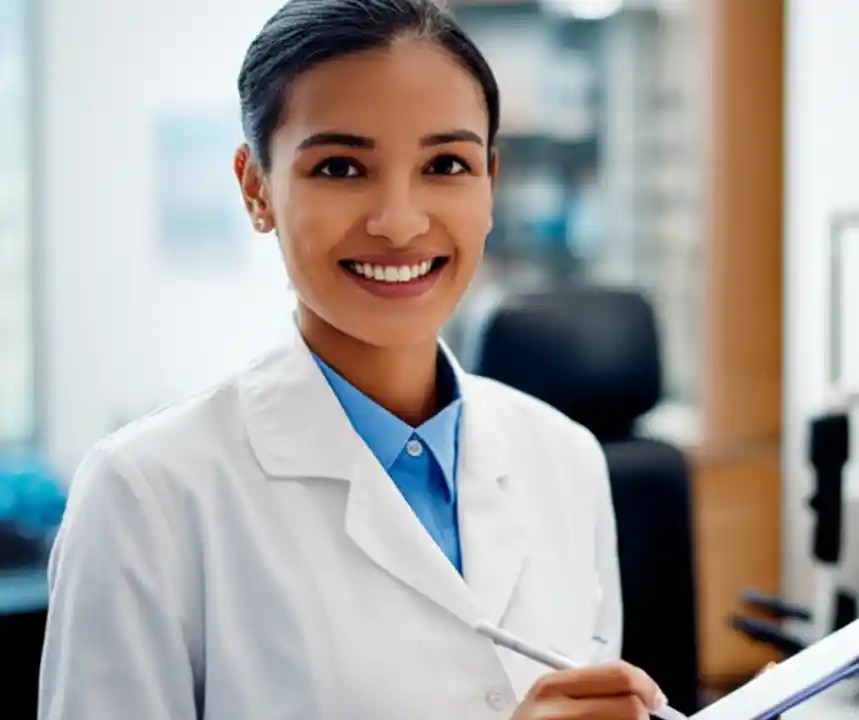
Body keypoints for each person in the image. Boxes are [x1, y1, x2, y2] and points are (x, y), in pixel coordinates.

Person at [37, 1, 673, 718]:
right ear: (256, 189)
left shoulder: (567, 461)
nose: (400, 222)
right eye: (341, 167)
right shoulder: (147, 496)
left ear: (490, 182)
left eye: (446, 165)